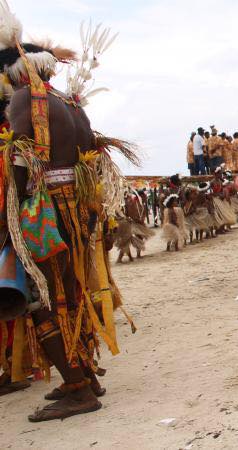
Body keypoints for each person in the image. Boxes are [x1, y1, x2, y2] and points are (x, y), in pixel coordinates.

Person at [3, 22, 134, 421]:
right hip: (74, 212)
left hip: (47, 215)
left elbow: (23, 163)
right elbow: (88, 157)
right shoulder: (71, 103)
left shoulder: (26, 100)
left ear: (18, 73)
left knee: (45, 301)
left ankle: (78, 389)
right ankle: (84, 376)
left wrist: (11, 214)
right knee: (70, 294)